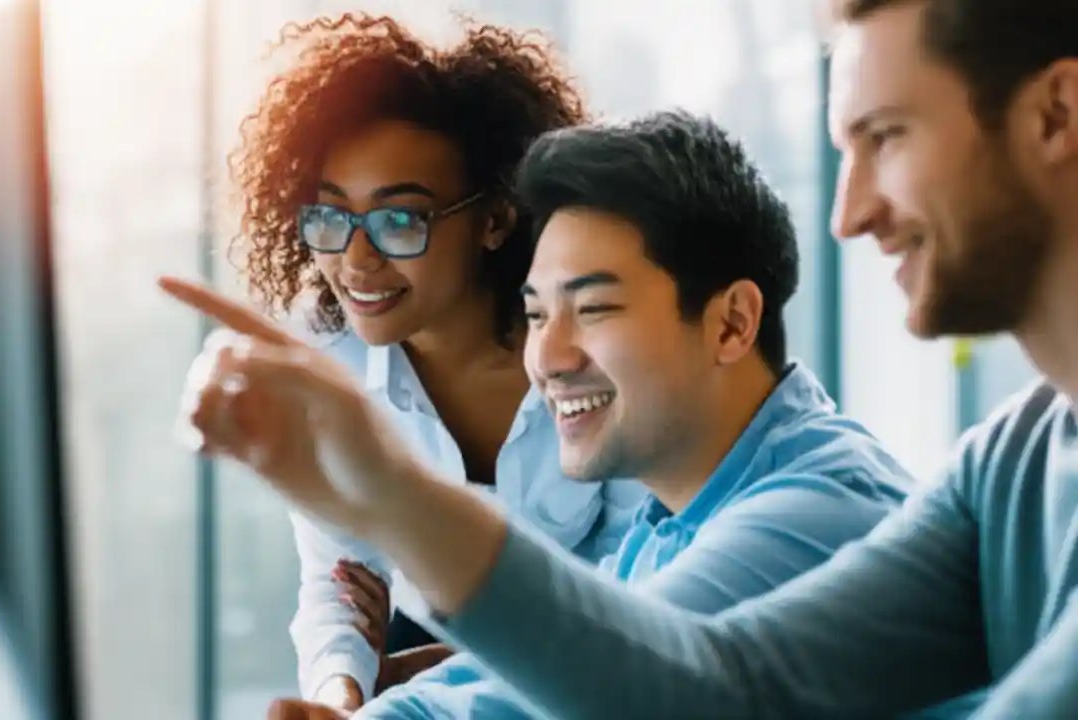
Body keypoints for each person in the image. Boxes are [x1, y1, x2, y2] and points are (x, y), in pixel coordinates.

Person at [163, 0, 1078, 716]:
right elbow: (718, 686)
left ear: (1057, 113)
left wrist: (390, 494)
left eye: (887, 137)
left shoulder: (813, 499)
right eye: (537, 313)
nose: (850, 215)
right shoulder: (1007, 466)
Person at [347, 112, 910, 719]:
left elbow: (564, 695)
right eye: (536, 316)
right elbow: (494, 676)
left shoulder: (813, 513)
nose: (550, 360)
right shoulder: (666, 521)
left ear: (732, 323)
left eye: (593, 309)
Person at [207, 13, 643, 716]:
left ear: (497, 220)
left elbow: (638, 589)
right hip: (439, 655)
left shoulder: (591, 356)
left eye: (399, 220)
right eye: (329, 216)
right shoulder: (324, 358)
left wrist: (443, 671)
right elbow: (337, 587)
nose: (355, 259)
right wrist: (344, 696)